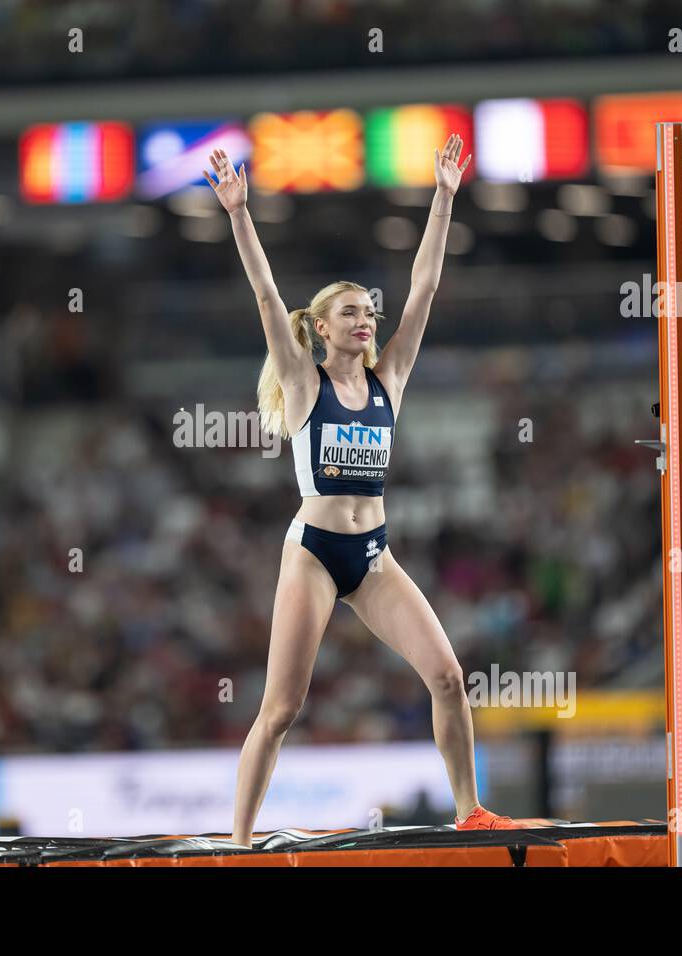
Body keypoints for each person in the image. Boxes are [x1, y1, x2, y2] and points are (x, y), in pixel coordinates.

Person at [203, 135, 521, 846]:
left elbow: (427, 286)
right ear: (319, 330)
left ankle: (471, 809)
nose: (364, 318)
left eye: (366, 311)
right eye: (347, 311)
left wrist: (443, 197)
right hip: (314, 553)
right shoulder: (302, 380)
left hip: (373, 556)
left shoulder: (390, 380)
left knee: (447, 676)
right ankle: (238, 844)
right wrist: (238, 214)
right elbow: (263, 291)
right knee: (282, 708)